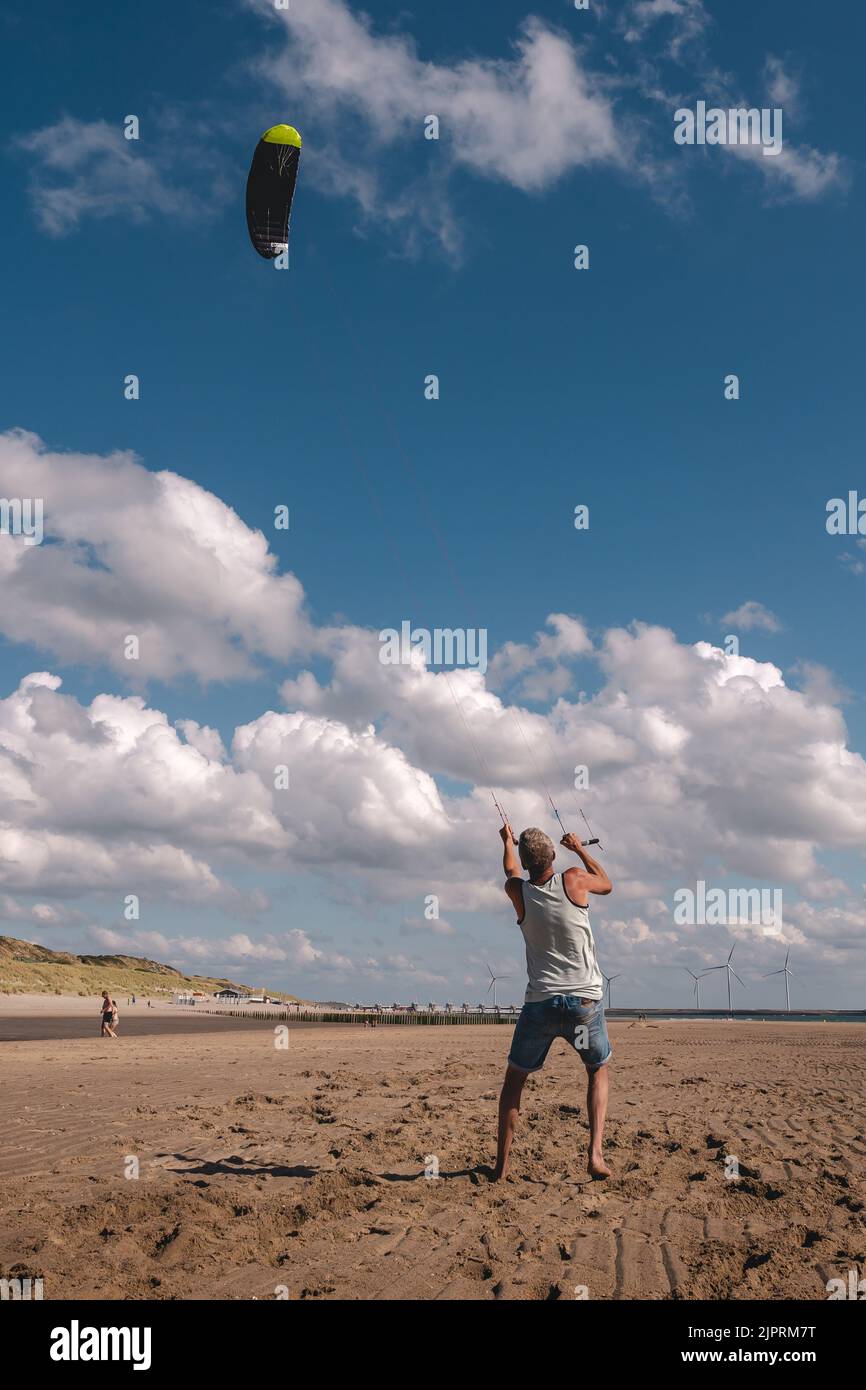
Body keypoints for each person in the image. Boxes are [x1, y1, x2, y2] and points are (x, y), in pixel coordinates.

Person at [494, 823, 613, 1181]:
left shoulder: (518, 891)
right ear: (554, 857)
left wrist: (506, 843)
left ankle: (501, 1166)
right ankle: (594, 1154)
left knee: (515, 1080)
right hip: (583, 1003)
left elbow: (511, 871)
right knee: (597, 1071)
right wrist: (579, 848)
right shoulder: (575, 878)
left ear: (529, 862)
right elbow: (606, 883)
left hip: (541, 1004)